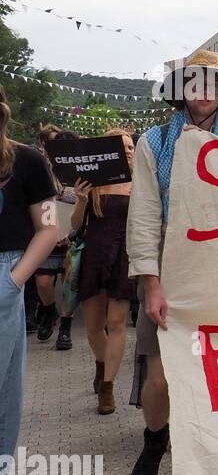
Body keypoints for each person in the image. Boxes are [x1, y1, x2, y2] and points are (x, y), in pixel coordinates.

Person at [126, 50, 218, 475]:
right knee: (161, 378)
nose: (204, 91)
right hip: (168, 265)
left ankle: (202, 466)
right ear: (182, 90)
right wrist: (151, 282)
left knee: (209, 373)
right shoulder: (153, 142)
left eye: (213, 83)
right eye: (195, 82)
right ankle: (155, 439)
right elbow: (144, 215)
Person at [0, 88, 60, 460]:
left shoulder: (29, 161)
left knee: (4, 384)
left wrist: (13, 279)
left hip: (5, 272)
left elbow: (49, 227)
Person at [70, 128, 136, 414]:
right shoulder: (93, 183)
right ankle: (101, 363)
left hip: (124, 257)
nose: (129, 151)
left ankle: (107, 388)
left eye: (131, 146)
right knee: (94, 327)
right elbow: (75, 226)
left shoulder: (141, 182)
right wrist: (82, 199)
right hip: (95, 256)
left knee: (117, 322)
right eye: (123, 146)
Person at [31, 129, 77, 349]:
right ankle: (49, 310)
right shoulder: (44, 170)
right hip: (47, 231)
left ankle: (65, 329)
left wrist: (71, 233)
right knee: (43, 281)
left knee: (69, 285)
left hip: (73, 235)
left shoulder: (81, 171)